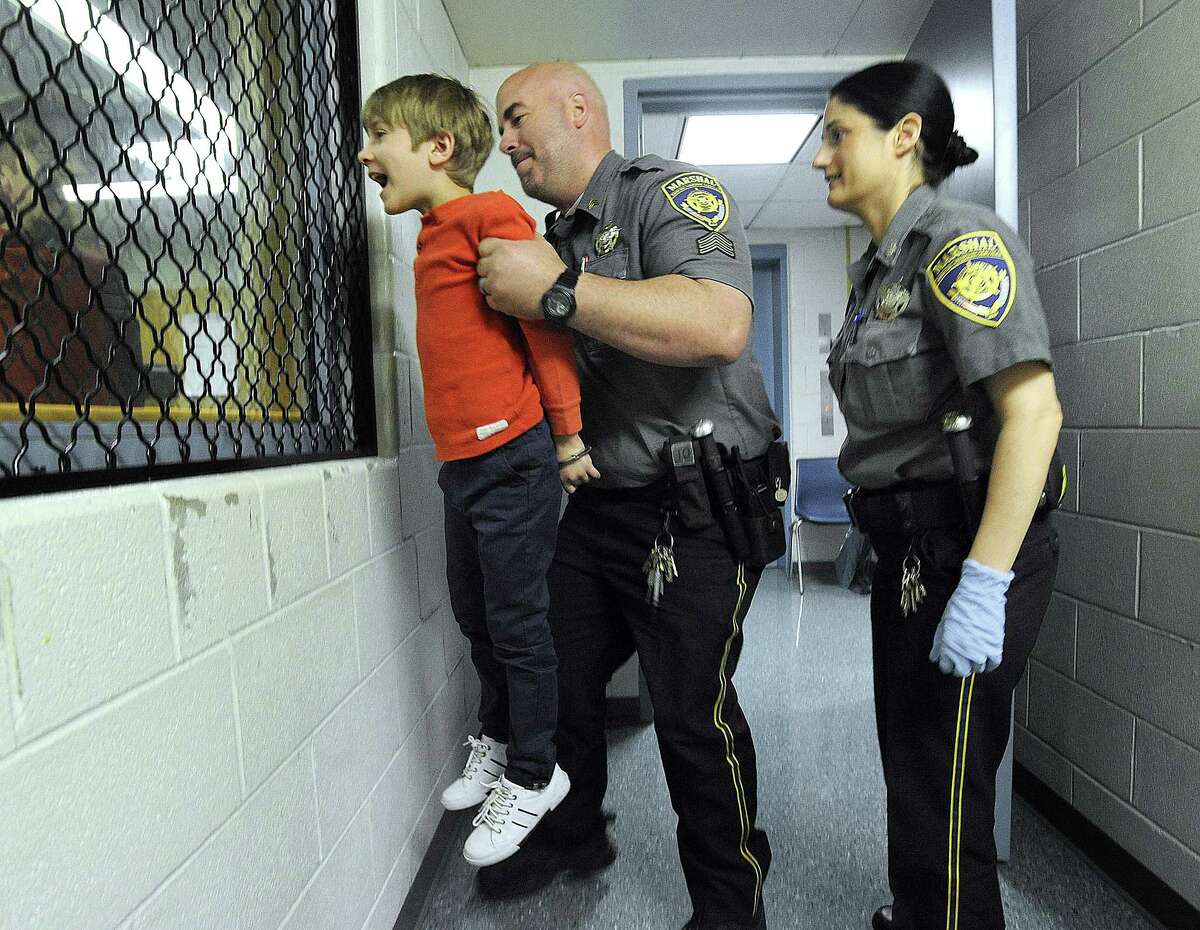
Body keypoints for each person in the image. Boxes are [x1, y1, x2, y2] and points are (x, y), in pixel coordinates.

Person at [476, 62, 778, 930]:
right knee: (557, 677)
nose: (506, 141)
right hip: (601, 507)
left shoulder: (667, 194)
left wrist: (558, 293)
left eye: (518, 118)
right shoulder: (550, 237)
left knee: (691, 714)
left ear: (580, 110)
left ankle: (731, 907)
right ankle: (575, 833)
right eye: (498, 125)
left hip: (695, 511)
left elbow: (718, 323)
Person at [813, 61, 1063, 930]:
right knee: (918, 766)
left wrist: (987, 584)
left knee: (947, 777)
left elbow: (1033, 413)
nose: (822, 157)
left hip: (968, 547)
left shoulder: (959, 245)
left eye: (837, 133)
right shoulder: (876, 274)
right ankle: (925, 915)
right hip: (911, 551)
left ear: (904, 135)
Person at [357, 73, 600, 867]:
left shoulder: (491, 216)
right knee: (475, 612)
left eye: (379, 137)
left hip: (515, 459)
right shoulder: (433, 232)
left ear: (438, 148)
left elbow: (548, 337)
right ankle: (499, 738)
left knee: (520, 622)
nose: (366, 155)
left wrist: (567, 439)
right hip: (465, 467)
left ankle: (538, 773)